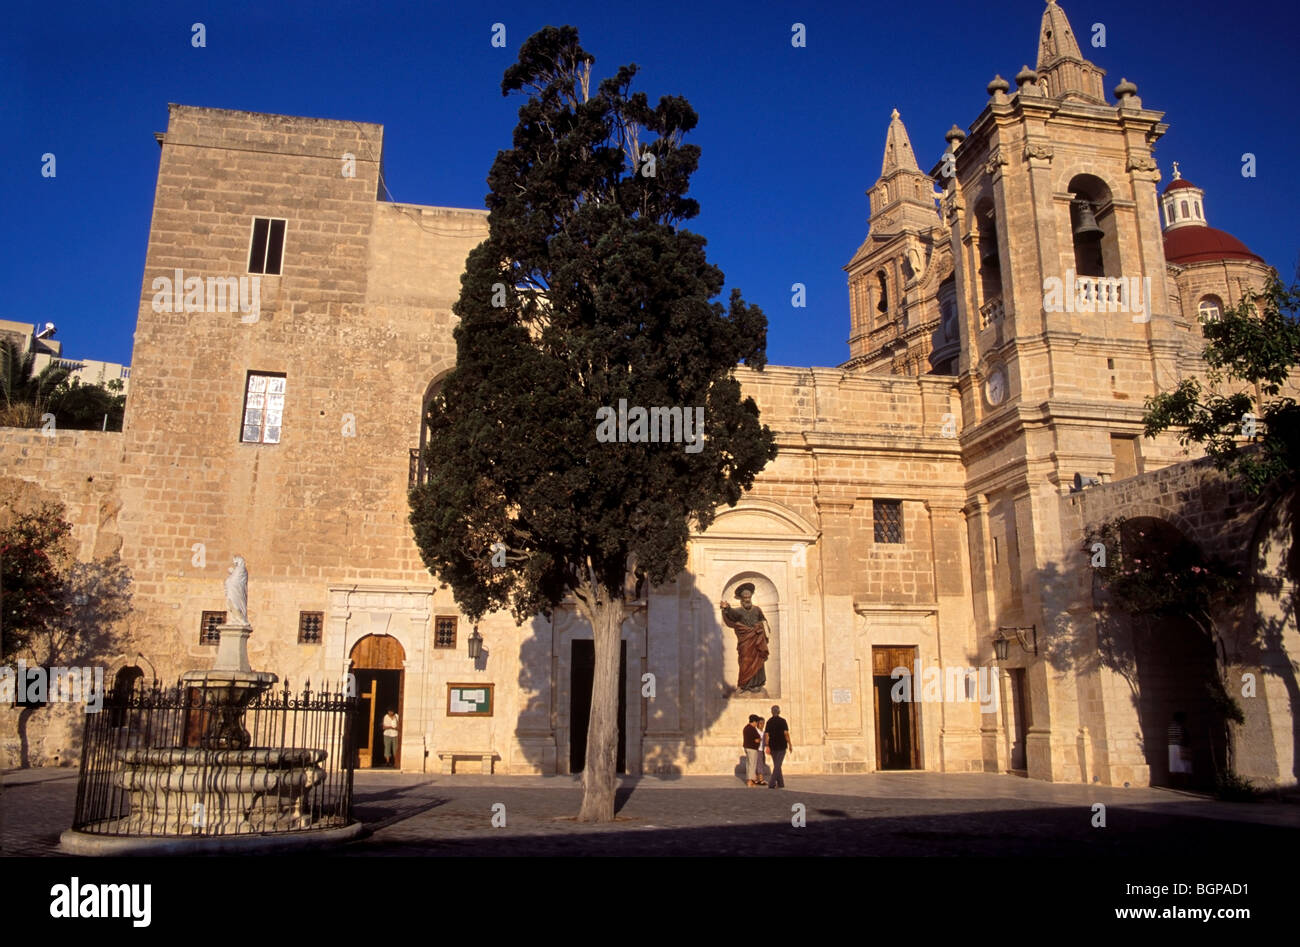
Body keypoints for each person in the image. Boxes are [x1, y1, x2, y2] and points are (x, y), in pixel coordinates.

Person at [719, 583, 771, 693]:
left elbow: (764, 621)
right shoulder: (739, 611)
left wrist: (762, 628)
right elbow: (731, 614)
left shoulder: (757, 610)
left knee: (758, 661)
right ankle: (743, 685)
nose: (747, 599)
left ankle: (757, 684)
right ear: (742, 599)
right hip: (745, 641)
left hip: (757, 640)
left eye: (749, 597)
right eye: (745, 597)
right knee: (745, 661)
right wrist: (727, 608)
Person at [765, 705, 792, 788]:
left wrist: (767, 746)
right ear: (779, 712)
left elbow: (766, 735)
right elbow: (786, 733)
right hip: (782, 746)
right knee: (777, 765)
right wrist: (790, 744)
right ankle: (772, 783)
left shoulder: (769, 721)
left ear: (772, 712)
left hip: (773, 746)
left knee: (777, 764)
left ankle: (781, 783)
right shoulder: (783, 721)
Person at [1168, 711, 1190, 786]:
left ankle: (1173, 784)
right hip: (1179, 746)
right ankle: (1185, 784)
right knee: (1184, 766)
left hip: (1171, 747)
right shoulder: (1180, 726)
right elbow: (1182, 737)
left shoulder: (1170, 726)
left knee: (1174, 767)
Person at [742, 714, 765, 786]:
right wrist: (760, 739)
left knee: (749, 764)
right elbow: (756, 740)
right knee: (752, 765)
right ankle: (750, 781)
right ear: (754, 722)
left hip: (747, 748)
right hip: (752, 748)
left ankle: (750, 780)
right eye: (757, 722)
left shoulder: (746, 728)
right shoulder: (752, 729)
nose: (757, 724)